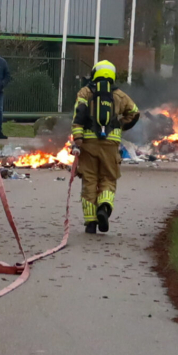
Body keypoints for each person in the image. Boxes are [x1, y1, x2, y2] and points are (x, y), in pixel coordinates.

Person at [71, 60, 140, 234]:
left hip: (89, 143)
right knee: (108, 178)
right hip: (111, 144)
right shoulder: (120, 96)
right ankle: (104, 207)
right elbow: (134, 112)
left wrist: (78, 137)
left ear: (95, 73)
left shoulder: (85, 92)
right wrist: (119, 125)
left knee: (89, 180)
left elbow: (78, 115)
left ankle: (90, 222)